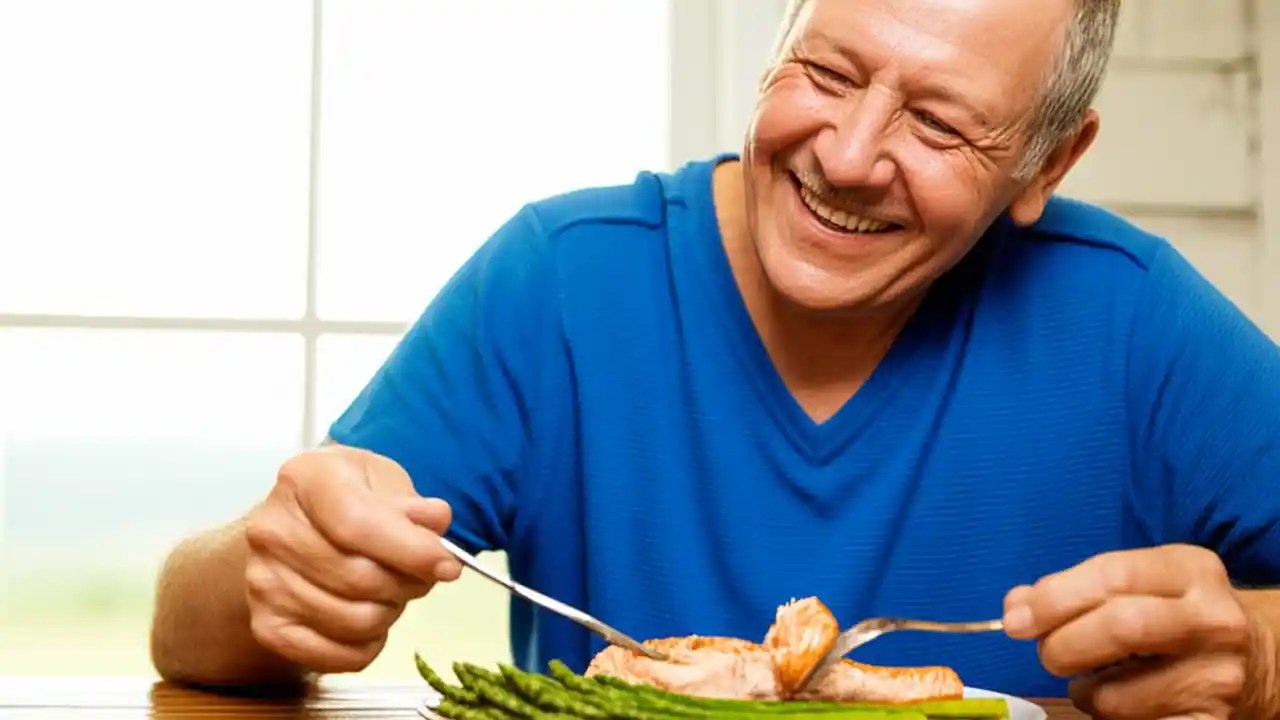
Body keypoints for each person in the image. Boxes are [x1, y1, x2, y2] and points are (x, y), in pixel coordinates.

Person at [149, 0, 1280, 716]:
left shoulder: (1133, 321)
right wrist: (267, 574)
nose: (847, 156)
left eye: (937, 124)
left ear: (1048, 162)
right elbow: (194, 631)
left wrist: (1262, 657)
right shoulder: (561, 281)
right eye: (827, 73)